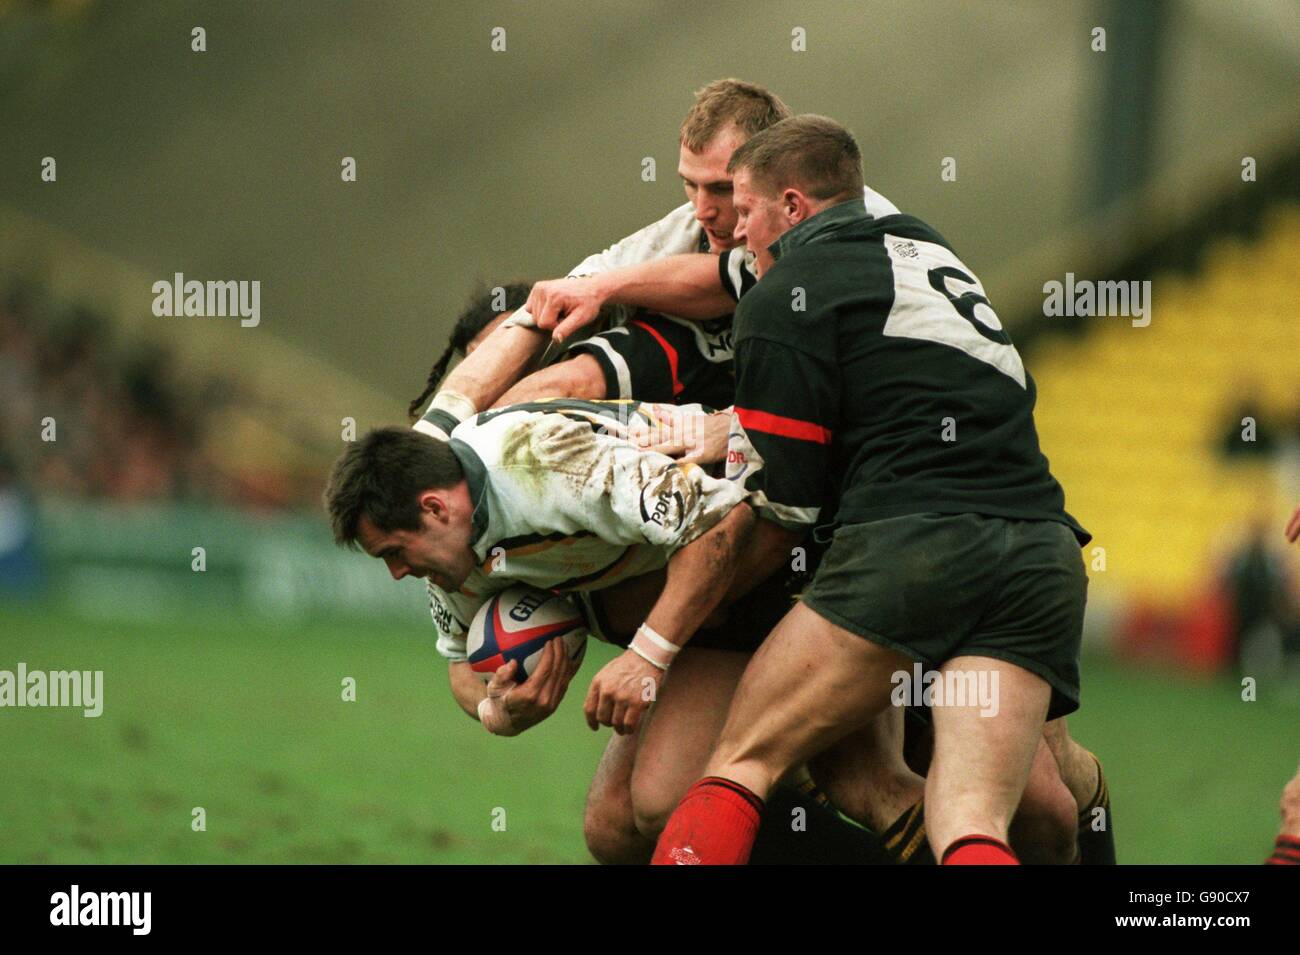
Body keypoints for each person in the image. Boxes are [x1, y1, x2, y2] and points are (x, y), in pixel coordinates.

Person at [637, 114, 1093, 865]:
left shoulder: (786, 290)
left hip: (916, 544)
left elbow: (787, 504)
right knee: (973, 818)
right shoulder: (929, 249)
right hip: (1043, 553)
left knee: (740, 760)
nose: (737, 234)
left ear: (793, 206)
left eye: (743, 210)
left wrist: (665, 629)